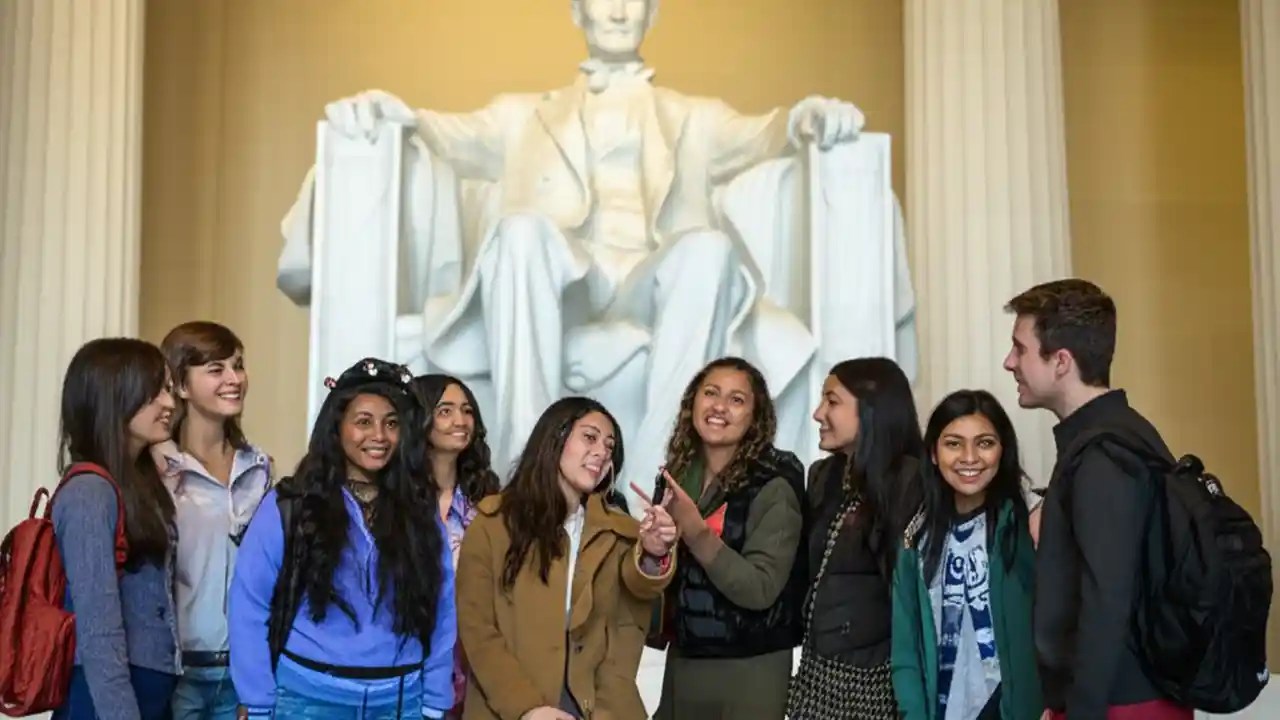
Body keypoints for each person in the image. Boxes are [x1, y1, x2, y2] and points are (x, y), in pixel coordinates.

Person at [300, 0, 869, 480]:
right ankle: (531, 461)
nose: (619, 9)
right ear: (577, 10)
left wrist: (808, 118)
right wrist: (389, 114)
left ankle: (657, 468)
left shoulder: (692, 117)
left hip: (651, 276)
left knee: (708, 249)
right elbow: (445, 134)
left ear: (654, 12)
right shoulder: (522, 115)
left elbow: (767, 133)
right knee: (519, 231)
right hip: (568, 274)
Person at [1002, 279, 1189, 719]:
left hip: (1122, 702)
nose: (1009, 362)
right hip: (1118, 696)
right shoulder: (1115, 436)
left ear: (1061, 361)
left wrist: (1079, 711)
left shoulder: (1104, 454)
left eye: (1020, 349)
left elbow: (1108, 599)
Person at [228, 358, 455, 718]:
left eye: (391, 423)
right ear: (337, 428)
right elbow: (248, 605)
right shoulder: (291, 505)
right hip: (308, 696)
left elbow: (442, 611)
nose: (379, 436)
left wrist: (435, 699)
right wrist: (257, 701)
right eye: (363, 422)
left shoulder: (420, 512)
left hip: (400, 700)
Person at [455, 396, 677, 719]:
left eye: (610, 445)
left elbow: (639, 587)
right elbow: (477, 628)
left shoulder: (620, 531)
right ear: (554, 437)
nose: (602, 452)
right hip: (512, 706)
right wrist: (526, 707)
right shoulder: (492, 524)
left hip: (597, 706)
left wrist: (655, 552)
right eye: (590, 437)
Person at [649, 357, 807, 718]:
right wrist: (651, 549)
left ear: (756, 416)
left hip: (750, 667)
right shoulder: (677, 476)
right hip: (686, 658)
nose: (719, 406)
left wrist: (696, 532)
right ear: (692, 404)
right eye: (711, 393)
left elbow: (761, 588)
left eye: (737, 400)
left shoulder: (774, 482)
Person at [891, 390, 1041, 719]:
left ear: (1003, 450)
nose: (969, 457)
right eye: (953, 443)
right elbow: (905, 648)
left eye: (985, 443)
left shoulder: (1027, 524)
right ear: (933, 453)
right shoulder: (916, 536)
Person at [52, 338, 180, 720]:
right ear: (116, 397)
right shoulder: (90, 492)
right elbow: (98, 634)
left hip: (144, 694)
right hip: (105, 701)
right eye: (155, 392)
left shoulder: (140, 483)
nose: (169, 404)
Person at [788, 357, 924, 719]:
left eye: (832, 402)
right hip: (818, 671)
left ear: (872, 410)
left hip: (875, 680)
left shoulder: (911, 481)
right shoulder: (822, 477)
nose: (818, 414)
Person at [151, 322, 272, 720]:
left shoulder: (260, 469)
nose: (234, 379)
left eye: (238, 366)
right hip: (177, 670)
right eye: (215, 369)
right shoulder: (159, 471)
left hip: (243, 671)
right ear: (181, 384)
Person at [410, 373, 500, 718]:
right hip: (408, 652)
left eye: (467, 411)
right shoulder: (396, 497)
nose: (460, 421)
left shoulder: (488, 498)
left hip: (471, 654)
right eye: (445, 411)